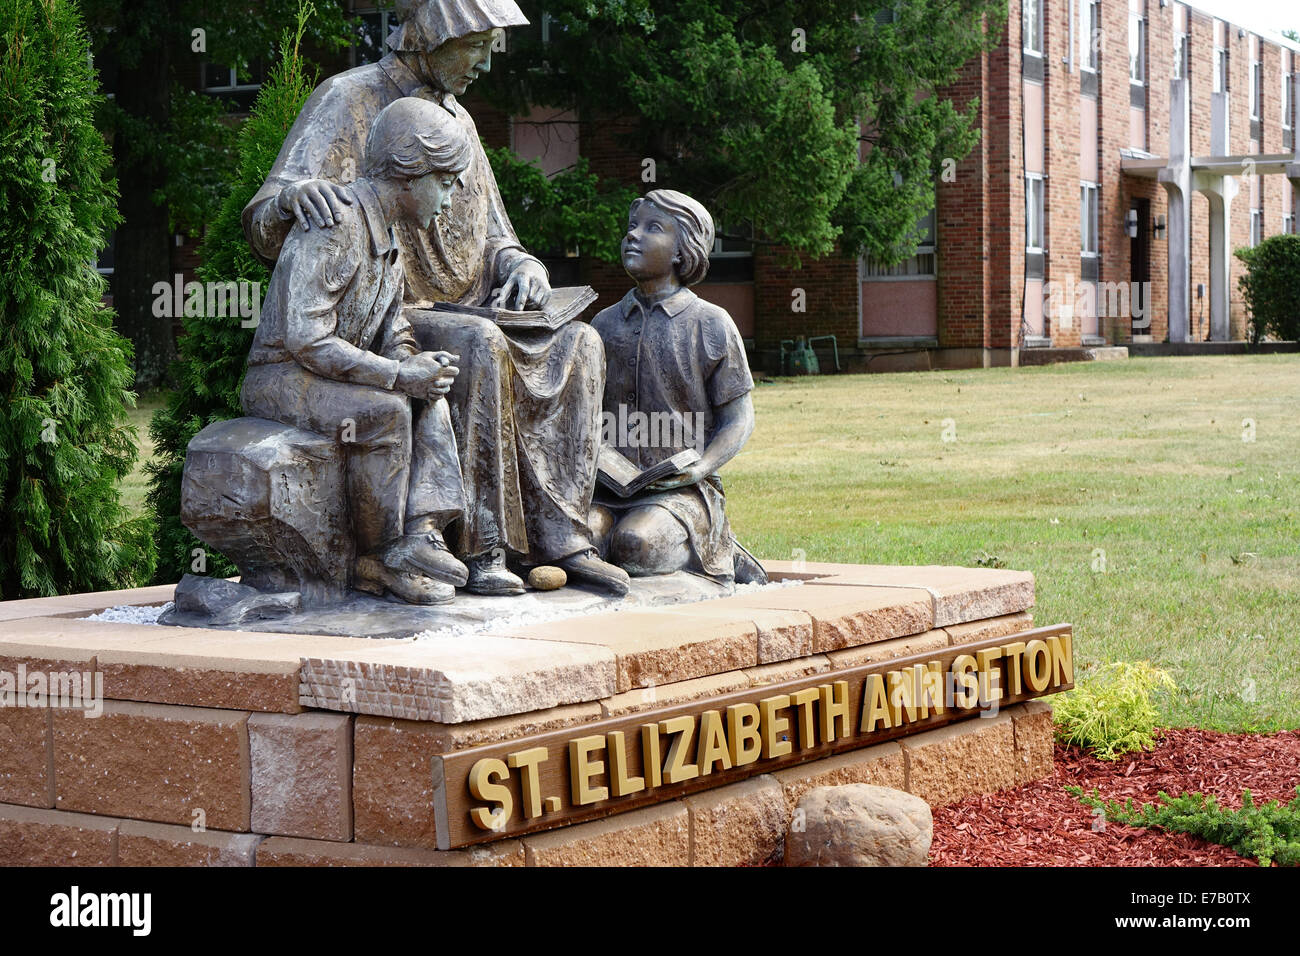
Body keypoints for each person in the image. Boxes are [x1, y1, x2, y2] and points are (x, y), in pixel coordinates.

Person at [242, 0, 628, 596]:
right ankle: (482, 546)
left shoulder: (461, 123)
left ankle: (563, 538)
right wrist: (293, 200)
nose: (484, 61)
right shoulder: (348, 98)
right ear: (432, 32)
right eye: (475, 44)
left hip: (471, 307)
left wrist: (521, 264)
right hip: (399, 322)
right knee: (478, 344)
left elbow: (495, 234)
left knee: (581, 343)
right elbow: (267, 225)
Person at [241, 97, 471, 606]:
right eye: (447, 182)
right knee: (387, 411)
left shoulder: (389, 237)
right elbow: (307, 339)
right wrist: (394, 376)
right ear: (411, 175)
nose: (451, 200)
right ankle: (380, 556)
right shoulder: (337, 221)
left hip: (327, 378)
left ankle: (421, 532)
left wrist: (411, 363)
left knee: (428, 392)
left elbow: (393, 327)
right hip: (280, 378)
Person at [589, 190, 766, 585]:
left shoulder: (711, 324)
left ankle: (715, 540)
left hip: (680, 491)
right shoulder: (603, 324)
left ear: (682, 251)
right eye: (632, 227)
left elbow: (739, 419)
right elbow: (585, 415)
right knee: (578, 541)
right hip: (608, 489)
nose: (633, 235)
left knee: (635, 545)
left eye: (653, 228)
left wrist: (701, 467)